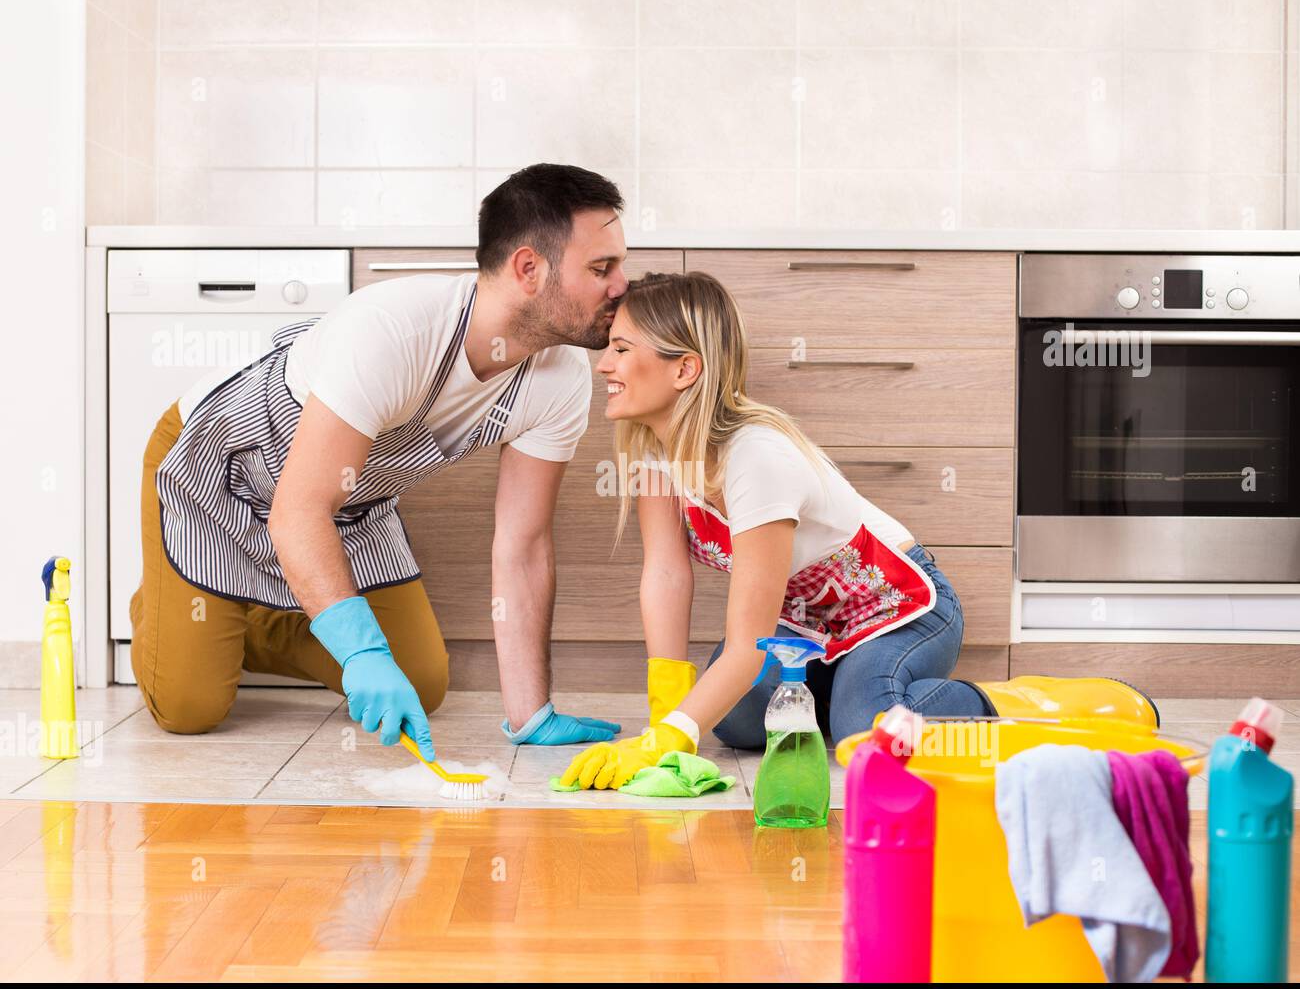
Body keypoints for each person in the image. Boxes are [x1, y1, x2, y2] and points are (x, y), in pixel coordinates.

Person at [560, 272, 1158, 790]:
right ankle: (839, 690)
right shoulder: (655, 454)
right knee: (739, 721)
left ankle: (1024, 703)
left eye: (619, 347)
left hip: (900, 606)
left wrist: (670, 738)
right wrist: (667, 719)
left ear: (685, 368)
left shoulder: (755, 458)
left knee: (865, 728)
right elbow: (666, 573)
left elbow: (747, 643)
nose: (604, 363)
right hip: (808, 624)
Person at [131, 163, 631, 761]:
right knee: (190, 707)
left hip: (349, 503)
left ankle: (257, 621)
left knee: (423, 681)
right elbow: (297, 513)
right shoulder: (393, 331)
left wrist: (531, 714)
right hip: (222, 472)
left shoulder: (561, 378)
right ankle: (195, 615)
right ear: (529, 269)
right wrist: (362, 652)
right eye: (602, 268)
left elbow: (521, 544)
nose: (622, 285)